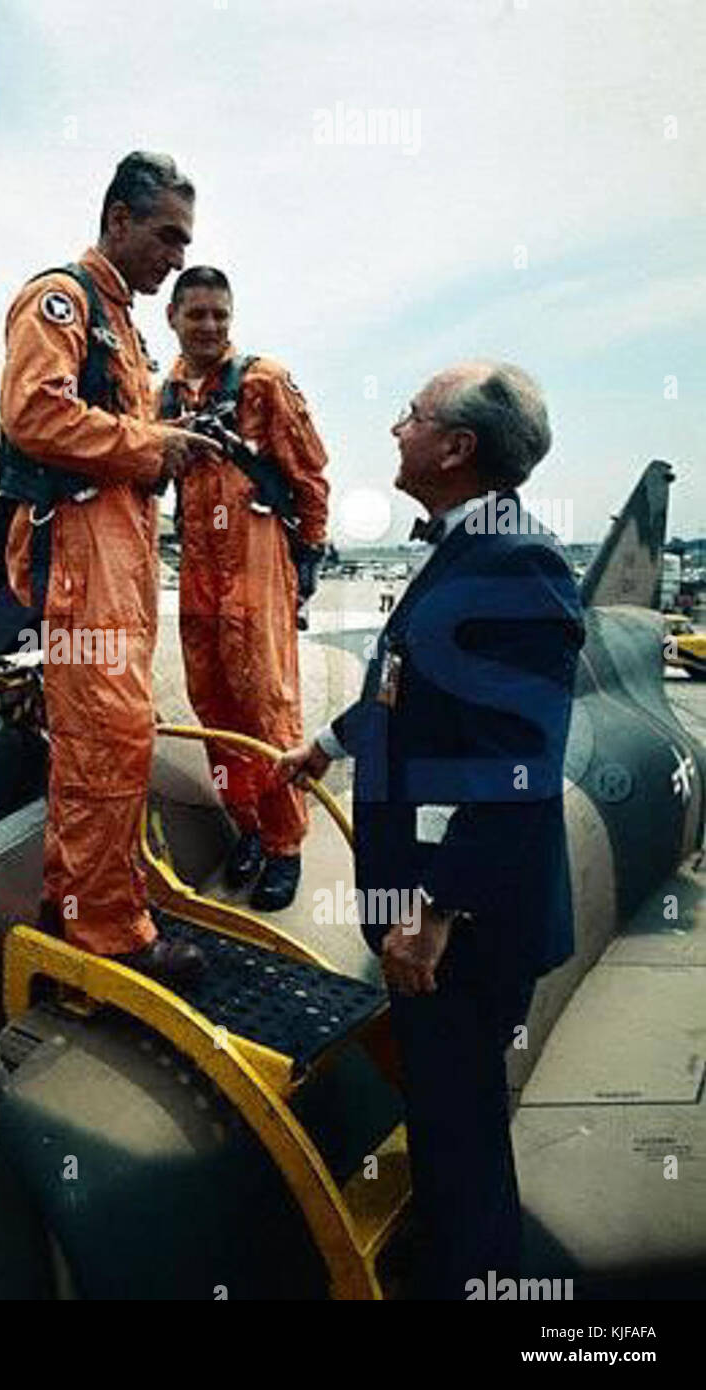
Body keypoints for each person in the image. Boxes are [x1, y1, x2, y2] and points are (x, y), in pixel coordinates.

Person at [278, 362, 584, 1298]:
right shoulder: (466, 546)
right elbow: (412, 687)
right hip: (425, 910)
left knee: (460, 1134)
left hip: (460, 926)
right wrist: (329, 743)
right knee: (447, 1110)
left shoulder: (515, 566)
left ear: (456, 449)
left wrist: (437, 910)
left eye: (410, 417)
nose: (395, 430)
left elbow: (517, 764)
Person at [0, 152, 220, 984]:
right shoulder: (62, 301)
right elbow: (34, 413)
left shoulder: (123, 322)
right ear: (117, 220)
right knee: (107, 745)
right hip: (84, 566)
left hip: (120, 563)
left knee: (111, 744)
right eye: (165, 235)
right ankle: (107, 937)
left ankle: (86, 899)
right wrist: (150, 446)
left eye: (184, 240)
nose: (175, 255)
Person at [159, 266, 329, 910]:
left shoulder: (265, 382)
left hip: (256, 564)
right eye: (196, 314)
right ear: (171, 317)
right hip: (199, 566)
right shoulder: (167, 395)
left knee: (265, 708)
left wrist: (306, 558)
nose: (208, 326)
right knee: (214, 706)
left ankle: (286, 843)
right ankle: (251, 826)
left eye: (219, 316)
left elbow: (310, 476)